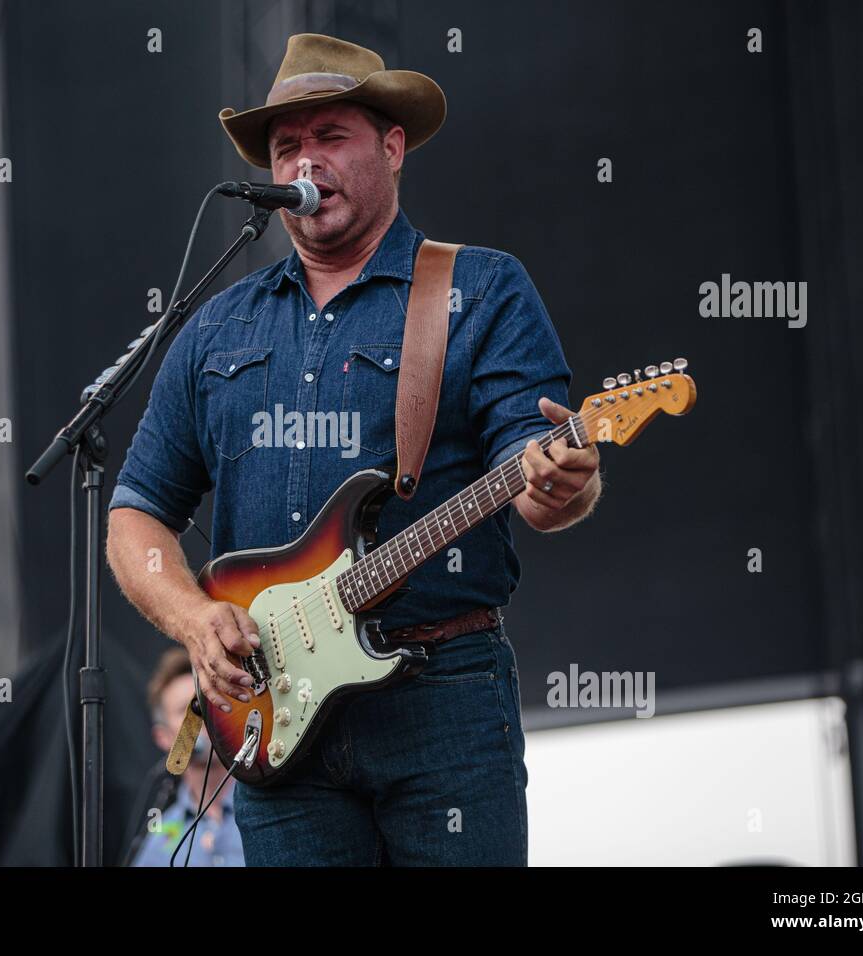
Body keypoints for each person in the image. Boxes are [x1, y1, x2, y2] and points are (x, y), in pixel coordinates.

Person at [107, 33, 600, 866]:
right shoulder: (217, 327)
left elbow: (540, 473)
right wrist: (194, 621)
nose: (306, 159)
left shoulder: (478, 288)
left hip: (441, 703)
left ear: (392, 146)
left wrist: (562, 484)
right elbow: (136, 517)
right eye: (288, 146)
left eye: (330, 136)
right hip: (275, 716)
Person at [129, 647, 245, 867]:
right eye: (187, 709)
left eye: (206, 702)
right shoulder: (163, 834)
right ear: (163, 737)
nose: (201, 715)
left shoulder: (266, 807)